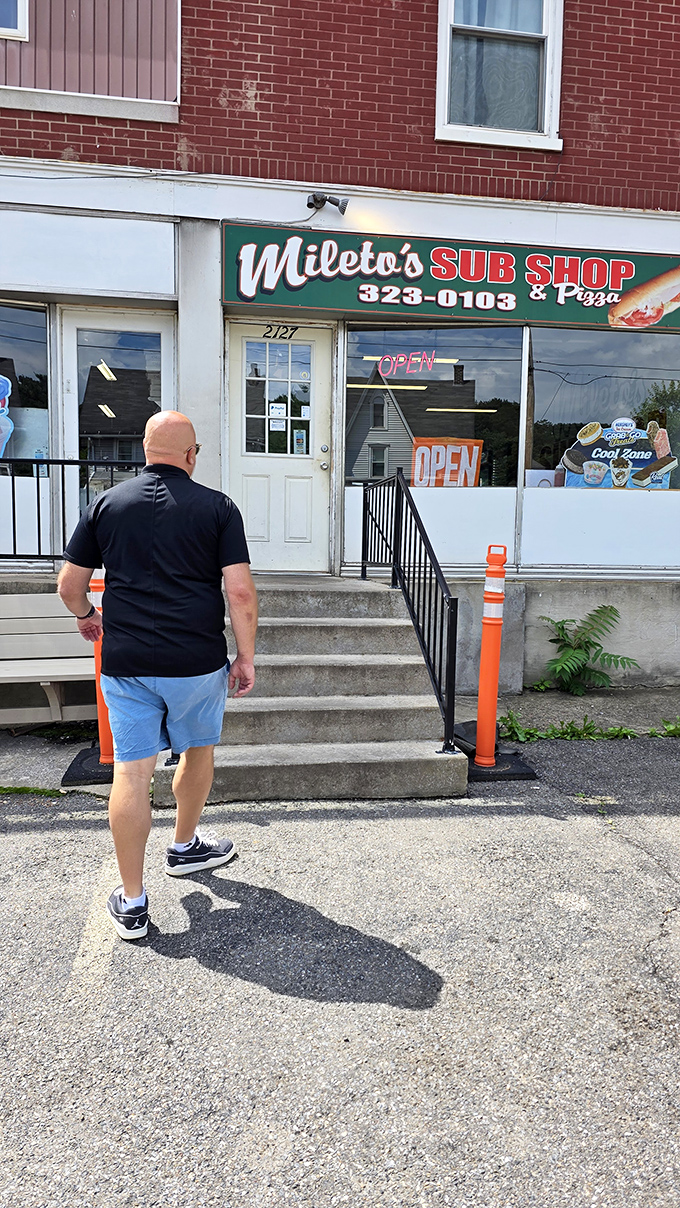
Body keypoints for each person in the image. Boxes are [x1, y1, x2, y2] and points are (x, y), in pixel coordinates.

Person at [58, 411, 257, 941]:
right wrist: (245, 656)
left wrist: (86, 616)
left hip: (126, 662)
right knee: (197, 751)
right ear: (191, 455)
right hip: (196, 662)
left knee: (131, 773)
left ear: (145, 450)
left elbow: (69, 585)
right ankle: (185, 845)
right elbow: (238, 592)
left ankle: (132, 901)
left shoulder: (105, 504)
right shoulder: (218, 508)